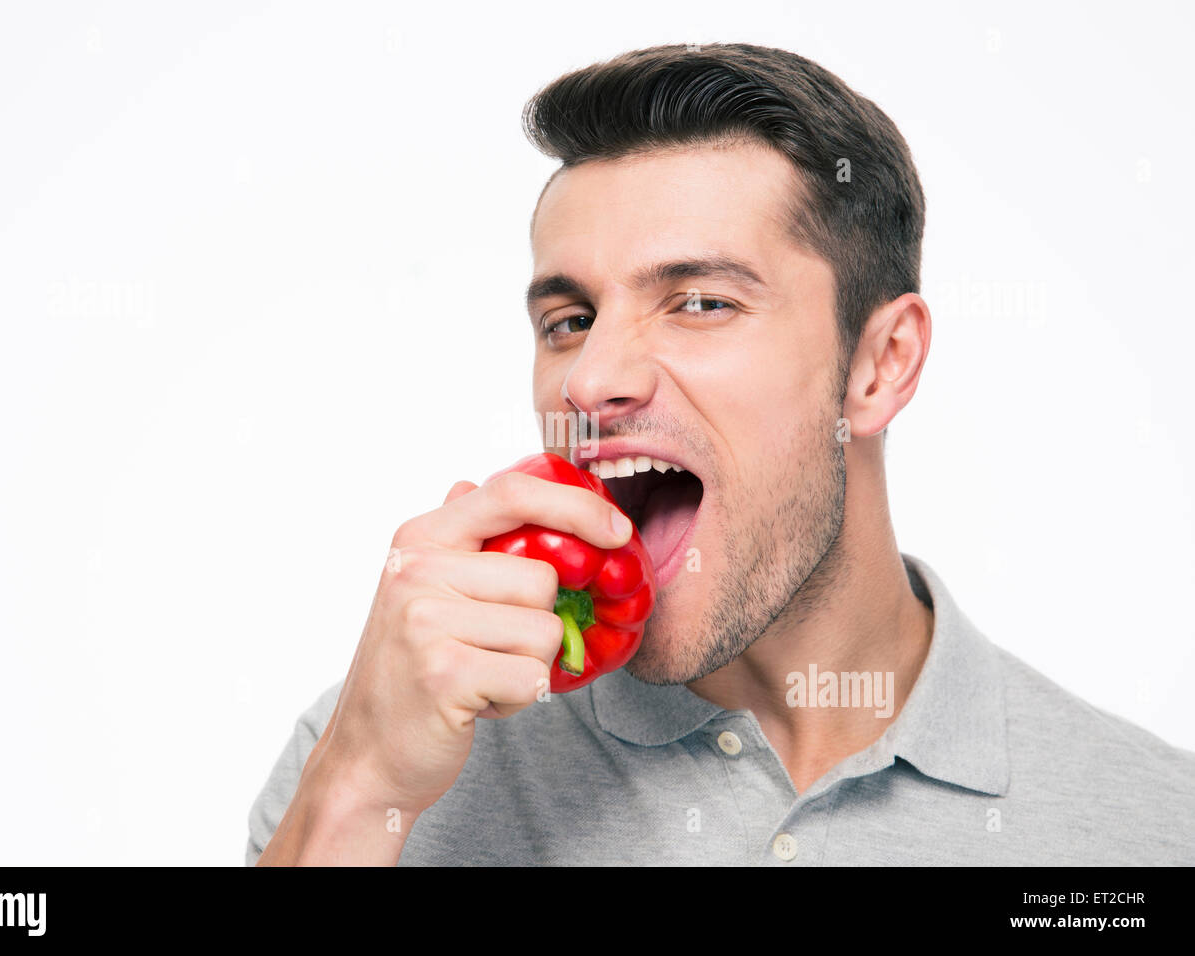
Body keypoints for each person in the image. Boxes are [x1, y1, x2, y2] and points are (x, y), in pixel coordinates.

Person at [246, 42, 1195, 865]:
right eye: (570, 319)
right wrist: (361, 785)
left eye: (701, 301)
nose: (589, 380)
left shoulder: (1150, 831)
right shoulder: (391, 755)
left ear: (879, 364)